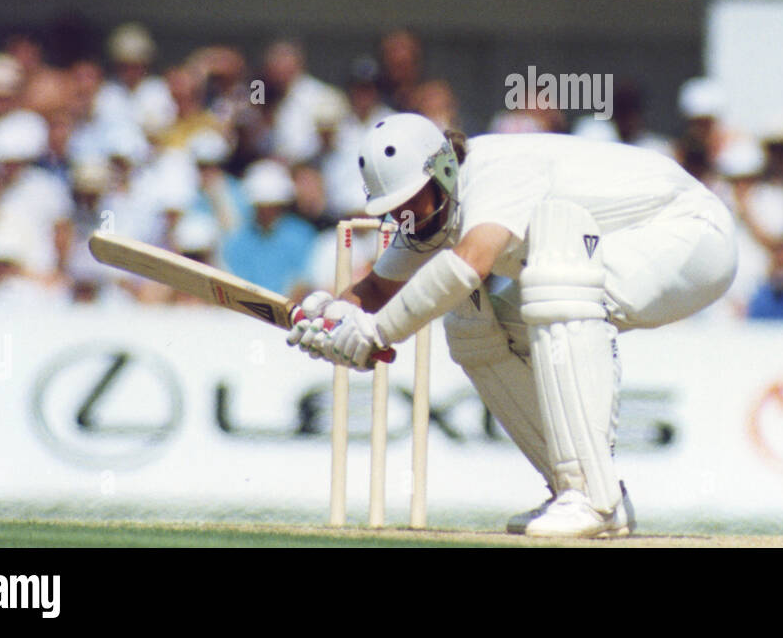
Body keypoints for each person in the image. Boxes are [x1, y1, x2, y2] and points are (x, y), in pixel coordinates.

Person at [287, 113, 737, 538]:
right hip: (634, 248)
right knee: (475, 322)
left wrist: (376, 333)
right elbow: (374, 291)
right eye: (396, 211)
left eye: (413, 203)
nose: (409, 220)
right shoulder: (430, 214)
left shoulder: (496, 173)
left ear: (443, 171)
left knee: (559, 281)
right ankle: (576, 487)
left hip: (691, 235)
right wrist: (332, 318)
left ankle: (593, 499)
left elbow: (470, 265)